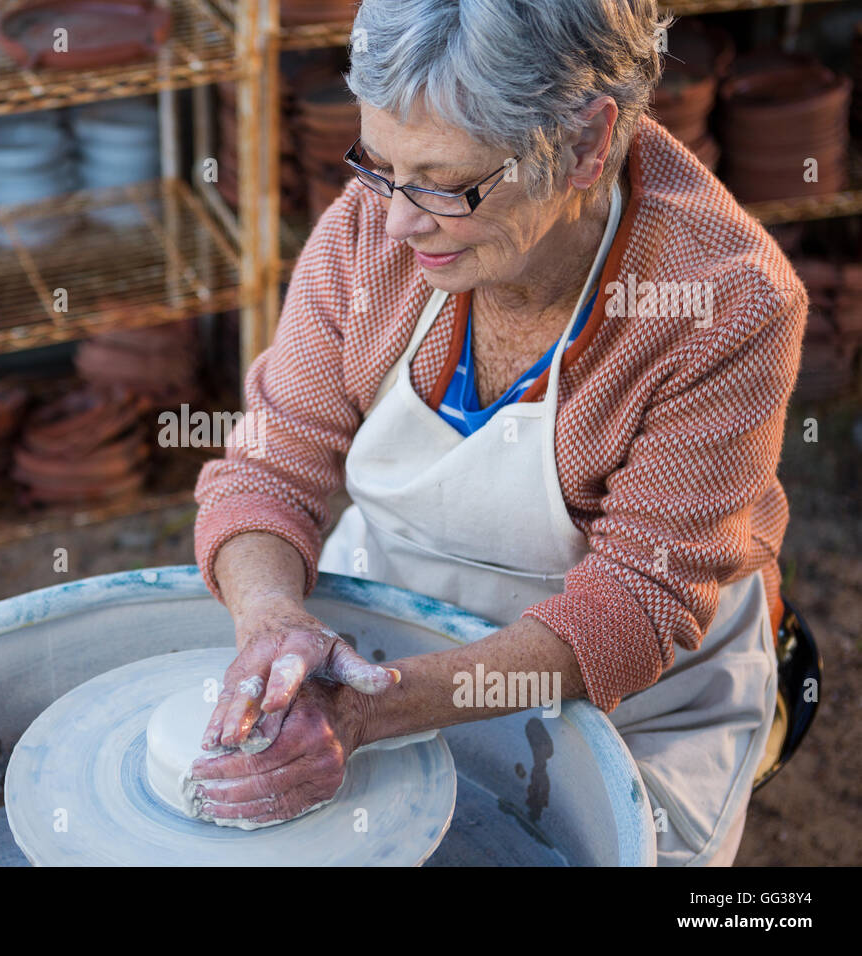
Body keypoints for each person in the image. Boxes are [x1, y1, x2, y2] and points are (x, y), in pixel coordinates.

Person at [189, 0, 807, 865]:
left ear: (589, 145)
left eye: (447, 183)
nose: (399, 220)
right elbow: (266, 471)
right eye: (379, 165)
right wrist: (271, 620)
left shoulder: (723, 303)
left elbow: (631, 601)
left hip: (631, 703)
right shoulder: (374, 230)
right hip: (388, 635)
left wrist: (374, 711)